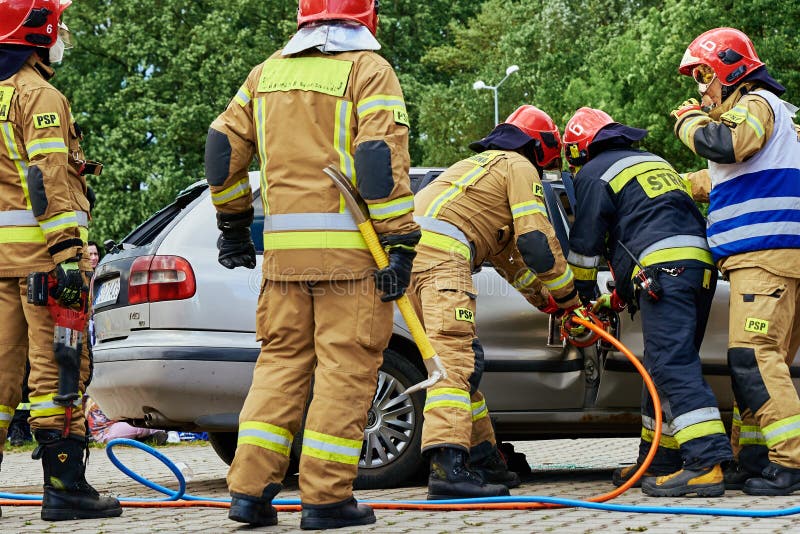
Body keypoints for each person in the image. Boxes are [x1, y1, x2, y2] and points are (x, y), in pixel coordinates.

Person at [204, 0, 419, 528]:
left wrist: (233, 222)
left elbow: (221, 147)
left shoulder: (265, 74)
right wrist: (399, 242)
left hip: (283, 260)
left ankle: (249, 493)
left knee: (279, 367)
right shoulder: (369, 69)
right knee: (345, 371)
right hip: (351, 257)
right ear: (365, 17)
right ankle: (325, 499)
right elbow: (378, 158)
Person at [409, 105, 584, 499]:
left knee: (462, 363)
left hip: (410, 266)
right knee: (454, 364)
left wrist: (548, 303)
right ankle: (447, 470)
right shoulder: (518, 165)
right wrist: (571, 299)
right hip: (443, 262)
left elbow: (514, 264)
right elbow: (536, 242)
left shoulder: (475, 171)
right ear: (539, 148)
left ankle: (485, 459)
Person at [564, 107, 733, 497]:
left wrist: (578, 301)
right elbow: (650, 228)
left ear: (580, 150)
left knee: (671, 363)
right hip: (697, 271)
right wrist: (615, 299)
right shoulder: (654, 163)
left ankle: (706, 462)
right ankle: (658, 461)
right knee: (662, 366)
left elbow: (586, 248)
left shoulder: (594, 172)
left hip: (664, 272)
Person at [0, 0, 121, 521]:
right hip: (43, 262)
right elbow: (47, 176)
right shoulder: (39, 95)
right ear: (38, 31)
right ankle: (65, 489)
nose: (62, 39)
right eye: (59, 28)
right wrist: (69, 255)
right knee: (59, 368)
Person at [673, 27, 800, 496]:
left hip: (765, 258)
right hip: (774, 259)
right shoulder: (774, 121)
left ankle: (792, 462)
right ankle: (754, 458)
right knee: (764, 365)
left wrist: (687, 122)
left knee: (752, 357)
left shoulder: (756, 103)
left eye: (703, 76)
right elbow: (727, 177)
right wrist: (671, 183)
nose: (700, 90)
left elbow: (727, 145)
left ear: (730, 70)